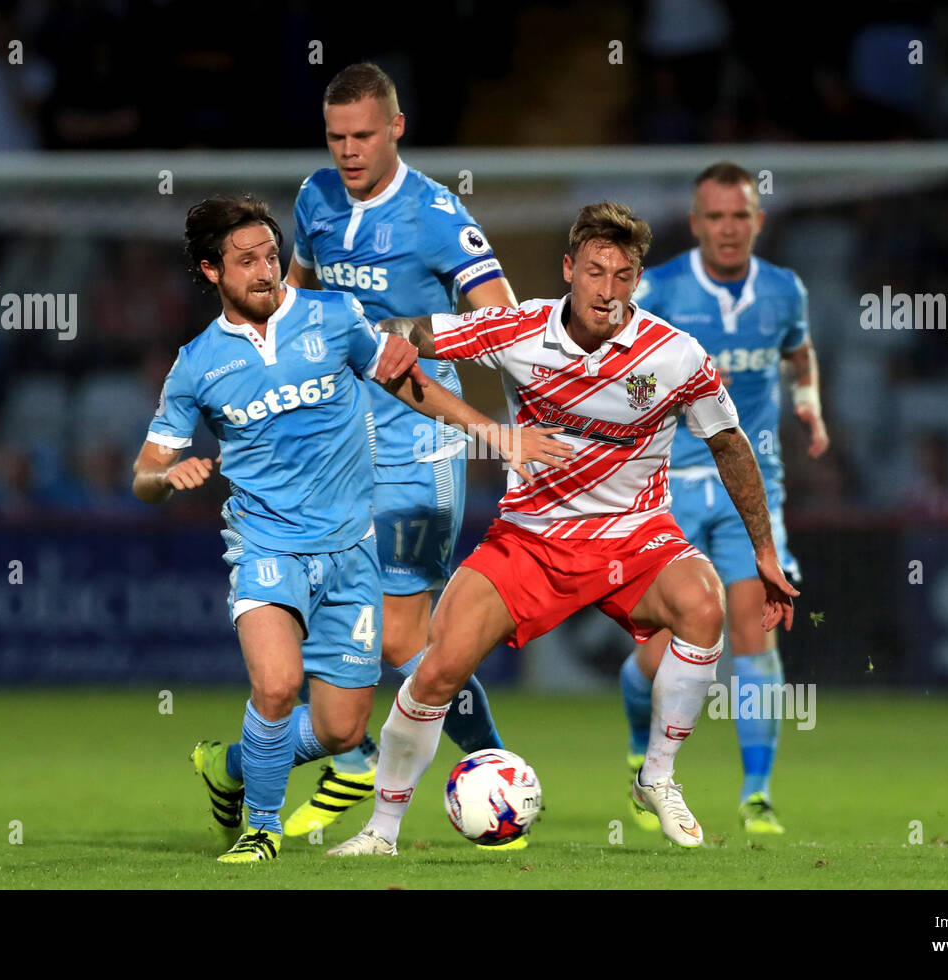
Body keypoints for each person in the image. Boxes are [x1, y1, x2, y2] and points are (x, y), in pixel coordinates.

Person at [326, 201, 798, 857]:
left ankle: (656, 779)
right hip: (530, 540)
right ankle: (381, 831)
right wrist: (446, 388)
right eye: (596, 271)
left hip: (633, 539)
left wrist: (766, 550)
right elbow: (405, 337)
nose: (608, 290)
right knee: (438, 672)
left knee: (702, 603)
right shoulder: (518, 329)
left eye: (623, 275)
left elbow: (730, 443)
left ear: (637, 280)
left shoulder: (674, 355)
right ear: (569, 268)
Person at [132, 194, 570, 863]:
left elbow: (405, 382)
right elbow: (146, 471)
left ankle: (229, 766)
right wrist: (169, 479)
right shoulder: (197, 364)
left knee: (341, 731)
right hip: (267, 544)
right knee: (276, 686)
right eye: (244, 260)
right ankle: (263, 828)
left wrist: (495, 435)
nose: (263, 270)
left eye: (270, 255)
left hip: (351, 549)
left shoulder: (335, 317)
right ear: (211, 270)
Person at [282, 62, 523, 841]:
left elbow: (507, 326)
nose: (348, 151)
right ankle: (488, 769)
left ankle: (488, 768)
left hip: (420, 444)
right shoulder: (314, 198)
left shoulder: (437, 217)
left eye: (362, 135)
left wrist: (422, 339)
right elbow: (298, 300)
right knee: (379, 636)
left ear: (396, 129)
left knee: (397, 639)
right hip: (334, 444)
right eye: (336, 137)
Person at [620, 162, 829, 835]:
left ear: (757, 221)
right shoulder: (659, 289)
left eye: (740, 215)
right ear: (696, 223)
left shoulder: (783, 290)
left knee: (752, 630)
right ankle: (639, 752)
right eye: (715, 217)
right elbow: (625, 374)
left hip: (751, 489)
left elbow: (799, 353)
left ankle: (757, 793)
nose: (728, 228)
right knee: (654, 655)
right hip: (668, 492)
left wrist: (810, 409)